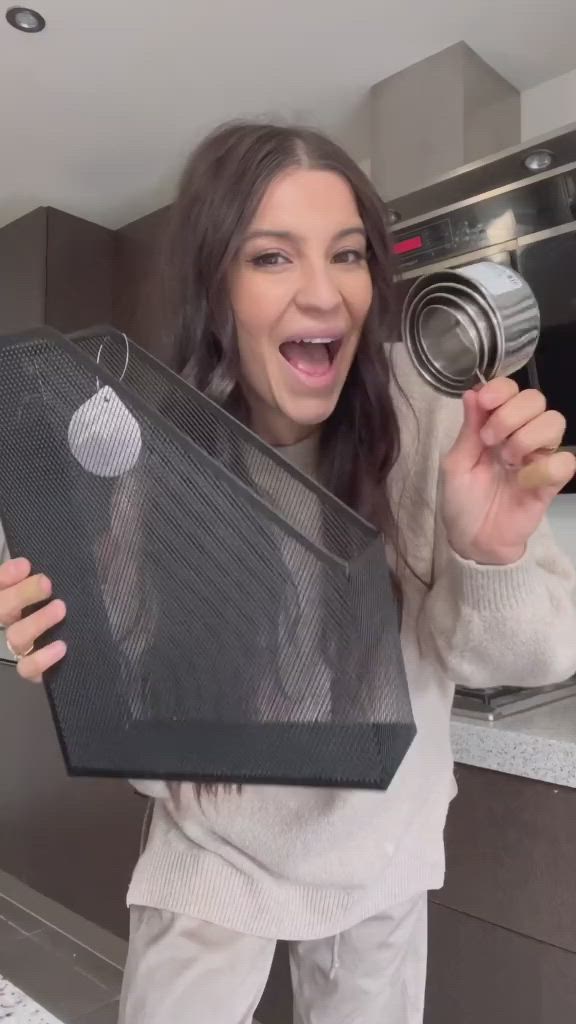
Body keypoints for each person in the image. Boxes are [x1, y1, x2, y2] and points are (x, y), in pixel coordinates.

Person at [1, 122, 575, 1024]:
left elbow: (532, 657)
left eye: (347, 256)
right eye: (271, 257)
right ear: (216, 287)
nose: (323, 293)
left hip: (379, 846)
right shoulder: (154, 450)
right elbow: (145, 722)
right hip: (212, 850)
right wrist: (82, 656)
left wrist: (490, 554)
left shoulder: (432, 415)